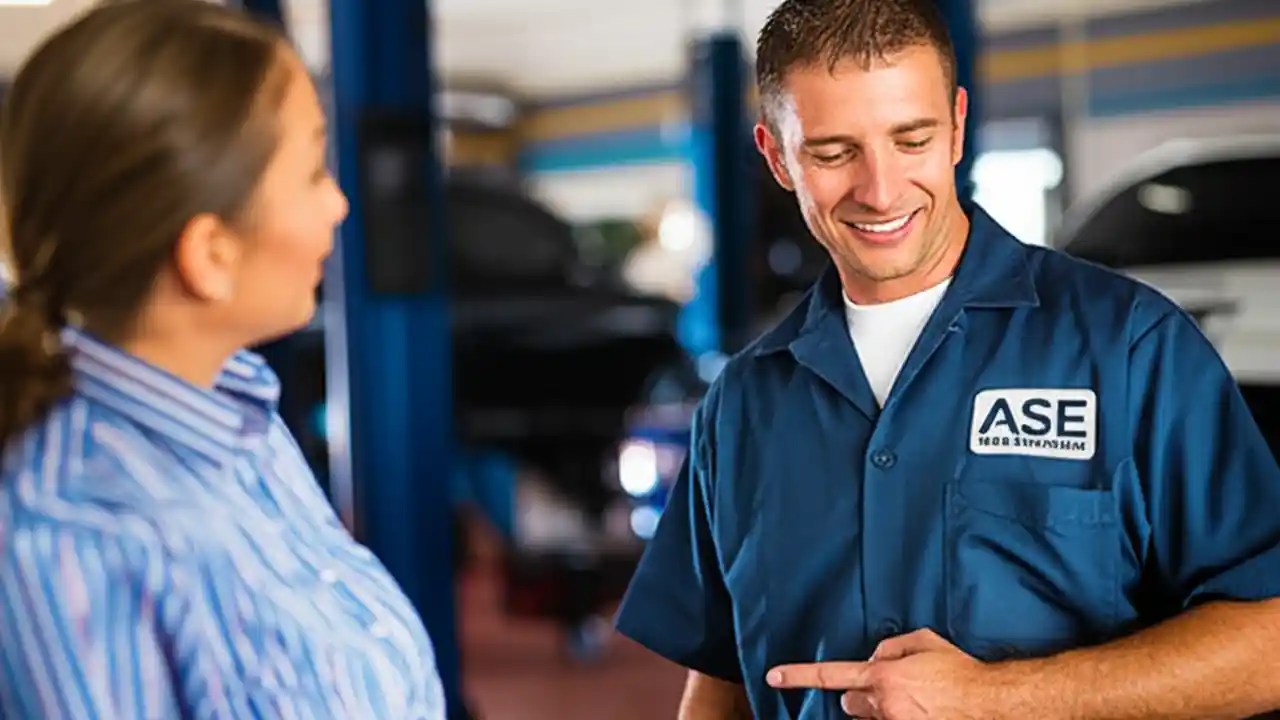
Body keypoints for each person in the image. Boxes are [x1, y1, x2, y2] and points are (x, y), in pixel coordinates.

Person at [613, 0, 1280, 718]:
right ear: (776, 155)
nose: (880, 190)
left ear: (958, 126)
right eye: (835, 152)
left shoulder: (1129, 348)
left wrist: (997, 699)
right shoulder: (742, 406)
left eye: (912, 140)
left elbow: (1268, 642)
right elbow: (719, 684)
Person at [0, 2, 446, 717]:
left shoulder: (242, 422)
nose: (339, 205)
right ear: (210, 254)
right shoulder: (72, 531)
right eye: (311, 173)